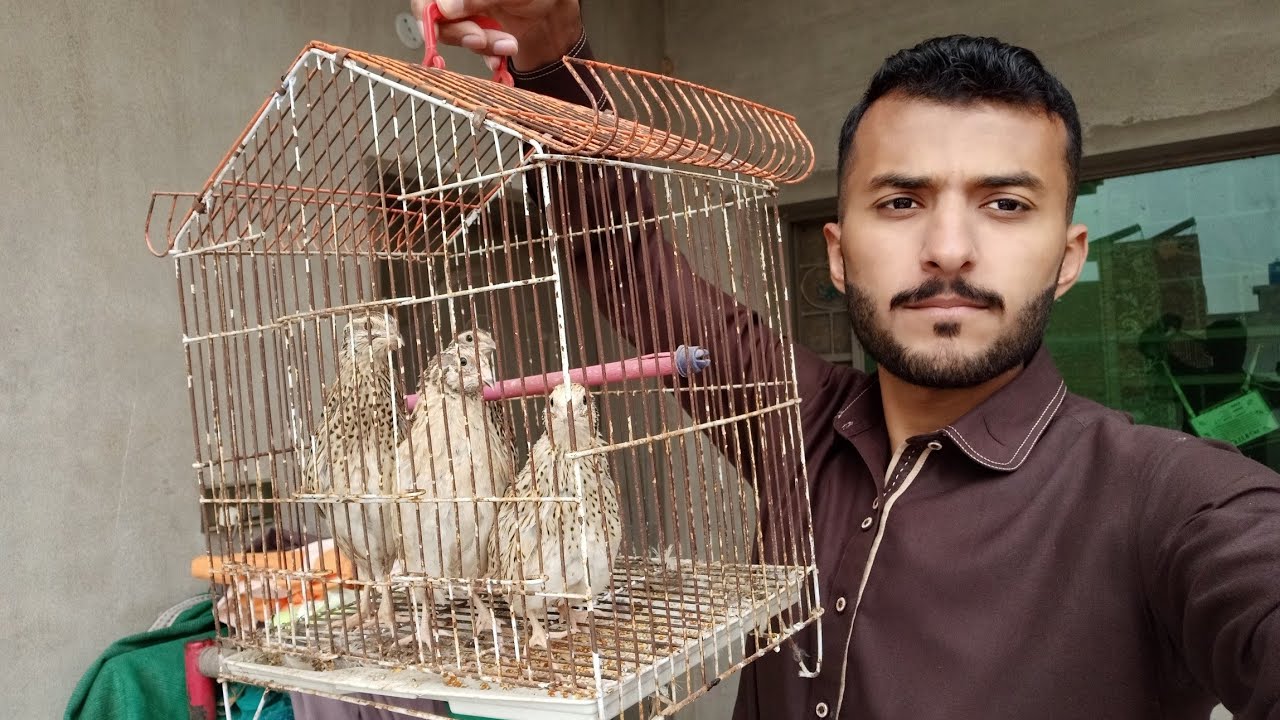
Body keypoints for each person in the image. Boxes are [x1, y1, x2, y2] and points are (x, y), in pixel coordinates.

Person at [391, 1, 1280, 719]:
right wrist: (552, 60)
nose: (949, 248)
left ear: (1070, 255)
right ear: (838, 251)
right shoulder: (799, 422)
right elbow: (631, 266)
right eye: (900, 201)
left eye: (1006, 204)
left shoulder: (1172, 499)